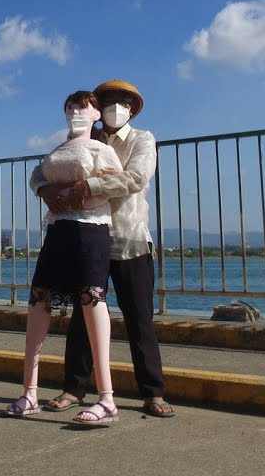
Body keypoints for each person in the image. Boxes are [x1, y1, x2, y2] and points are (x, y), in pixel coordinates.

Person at [36, 79, 175, 419]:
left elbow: (136, 178)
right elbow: (43, 168)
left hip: (129, 239)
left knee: (139, 317)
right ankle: (74, 388)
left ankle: (153, 392)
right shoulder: (84, 140)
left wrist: (90, 185)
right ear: (97, 110)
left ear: (133, 108)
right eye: (109, 100)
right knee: (83, 319)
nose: (116, 106)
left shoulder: (143, 139)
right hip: (89, 239)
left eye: (123, 101)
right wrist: (44, 188)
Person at [6, 90, 123, 426]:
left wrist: (87, 187)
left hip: (91, 230)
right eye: (70, 106)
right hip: (58, 230)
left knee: (92, 301)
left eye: (82, 106)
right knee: (38, 299)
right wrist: (46, 190)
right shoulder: (56, 151)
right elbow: (38, 175)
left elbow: (119, 183)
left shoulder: (103, 150)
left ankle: (107, 399)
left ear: (96, 115)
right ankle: (30, 391)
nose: (75, 111)